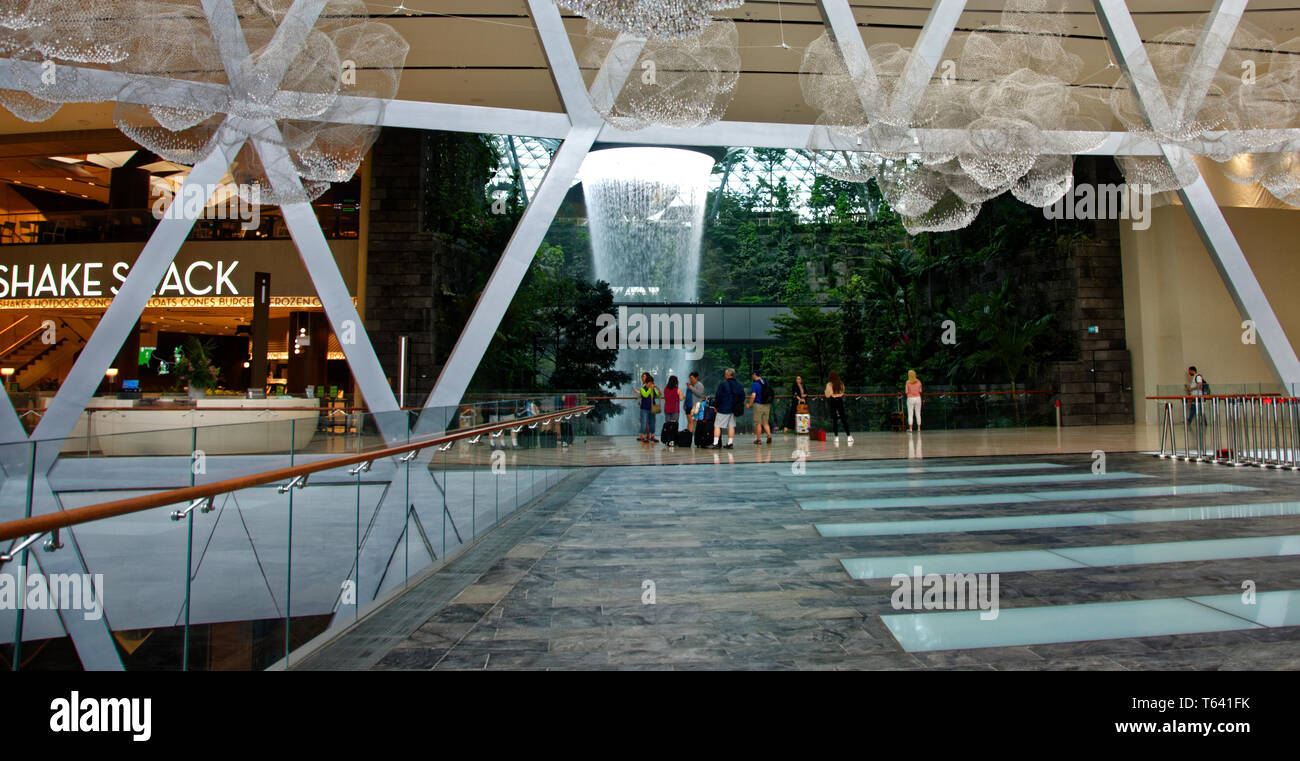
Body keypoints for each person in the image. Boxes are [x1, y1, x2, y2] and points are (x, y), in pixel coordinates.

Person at [711, 368, 745, 449]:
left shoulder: (723, 384)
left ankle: (715, 443)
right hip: (733, 409)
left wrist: (716, 406)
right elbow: (742, 397)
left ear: (727, 375)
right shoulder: (738, 385)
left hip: (723, 408)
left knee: (717, 425)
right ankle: (730, 443)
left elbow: (718, 397)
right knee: (731, 426)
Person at [824, 370, 853, 445]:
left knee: (835, 420)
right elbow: (843, 392)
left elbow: (827, 395)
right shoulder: (841, 383)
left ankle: (836, 437)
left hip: (833, 401)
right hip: (840, 401)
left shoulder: (829, 384)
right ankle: (849, 436)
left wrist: (828, 393)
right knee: (843, 419)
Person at [748, 369, 773, 444]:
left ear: (755, 375)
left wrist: (749, 404)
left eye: (753, 374)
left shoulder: (754, 384)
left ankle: (758, 440)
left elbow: (753, 395)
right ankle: (769, 436)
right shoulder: (766, 382)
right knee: (765, 422)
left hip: (758, 405)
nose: (752, 376)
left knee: (758, 423)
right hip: (767, 404)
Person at [637, 373, 660, 443]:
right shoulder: (642, 389)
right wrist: (650, 389)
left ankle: (652, 436)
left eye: (652, 383)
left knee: (652, 422)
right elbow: (645, 395)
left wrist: (658, 392)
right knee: (644, 422)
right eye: (650, 383)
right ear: (647, 383)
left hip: (652, 408)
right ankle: (643, 436)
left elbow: (657, 396)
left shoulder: (653, 389)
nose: (651, 384)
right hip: (644, 408)